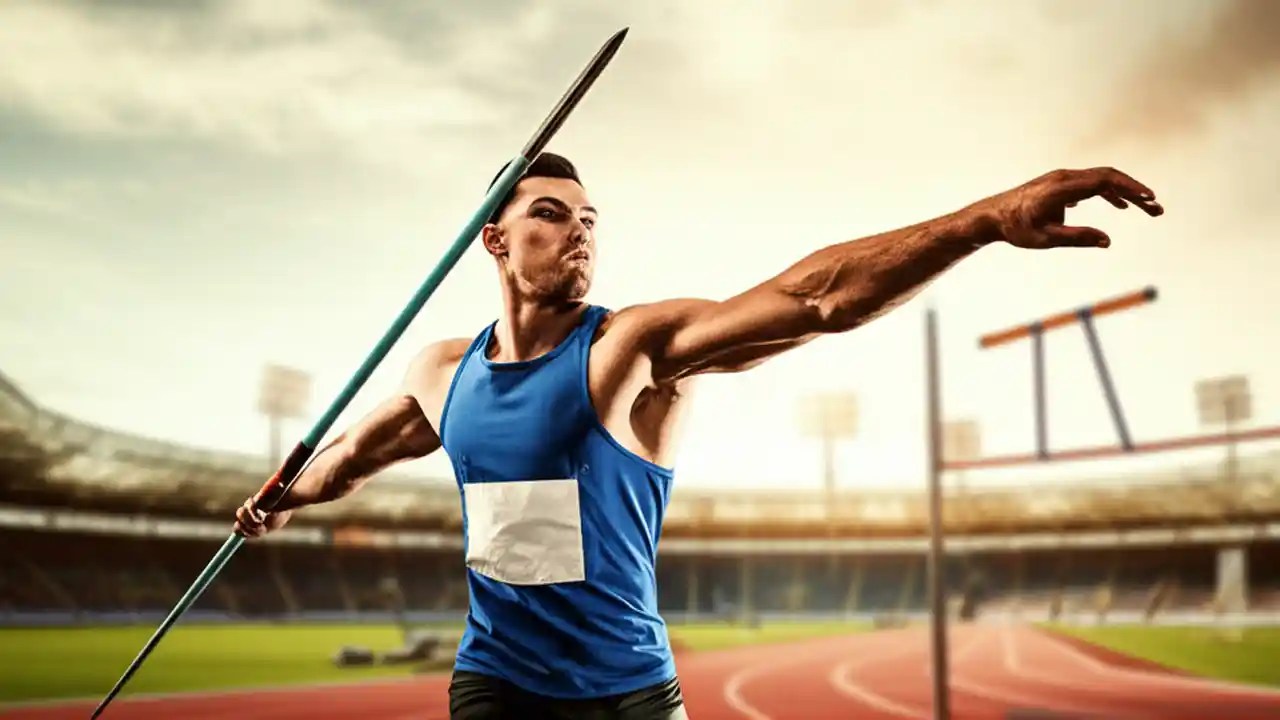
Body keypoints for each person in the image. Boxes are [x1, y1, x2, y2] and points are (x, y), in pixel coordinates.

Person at [234, 153, 1162, 718]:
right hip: (496, 686)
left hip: (628, 693)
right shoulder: (442, 372)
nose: (579, 235)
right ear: (494, 240)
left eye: (590, 220)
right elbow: (351, 459)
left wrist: (984, 222)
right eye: (551, 216)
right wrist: (280, 499)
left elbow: (817, 301)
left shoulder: (631, 350)